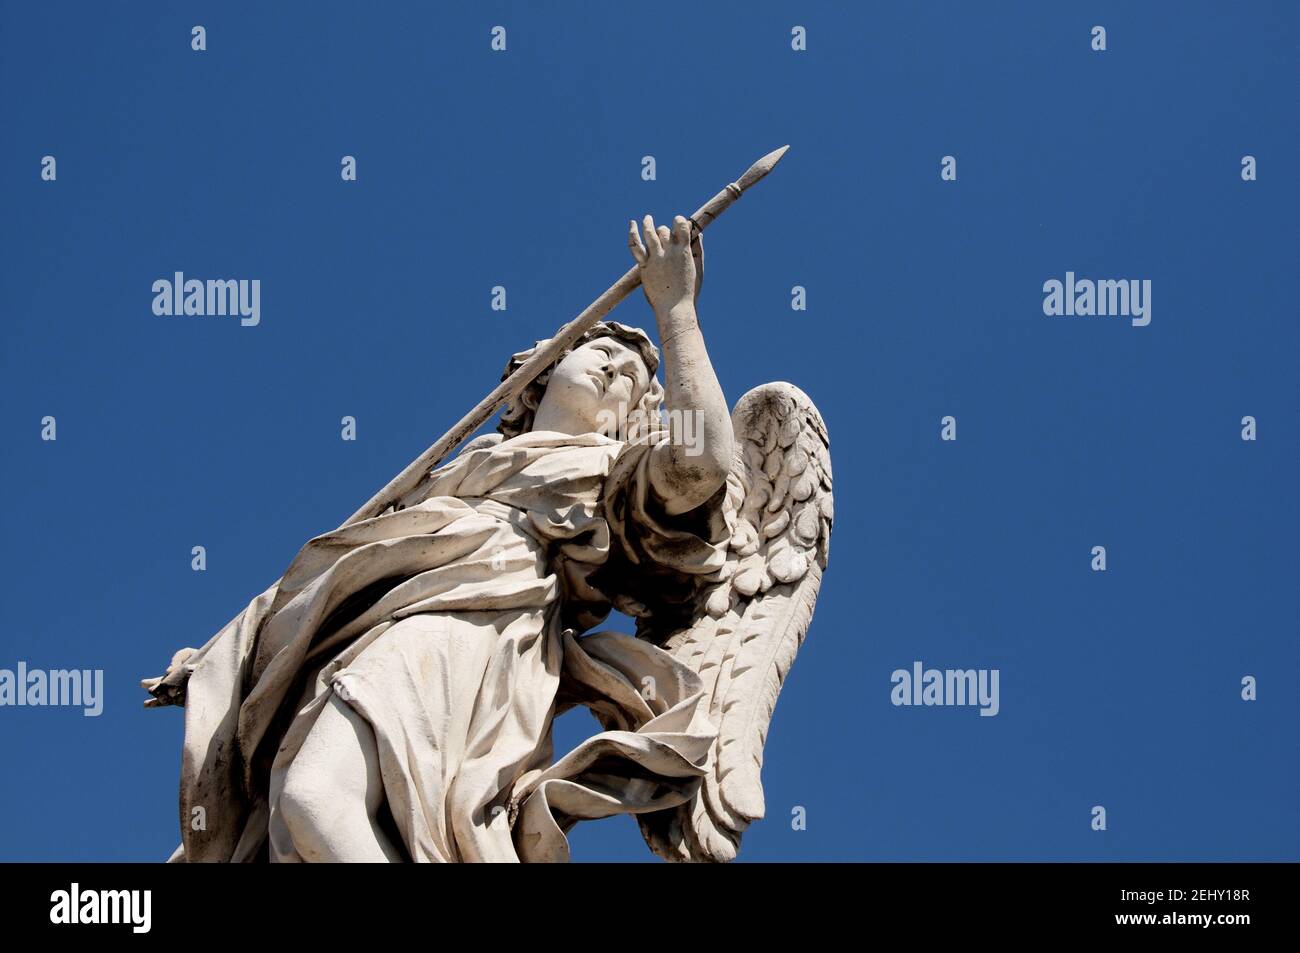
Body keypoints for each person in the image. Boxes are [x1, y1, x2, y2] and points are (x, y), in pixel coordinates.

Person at [145, 214, 737, 862]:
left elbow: (700, 461)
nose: (618, 379)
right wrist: (227, 654)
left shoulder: (600, 478)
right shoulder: (453, 475)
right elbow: (344, 566)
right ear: (543, 369)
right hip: (378, 623)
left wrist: (675, 310)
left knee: (316, 798)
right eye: (605, 355)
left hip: (482, 618)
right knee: (298, 820)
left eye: (633, 385)